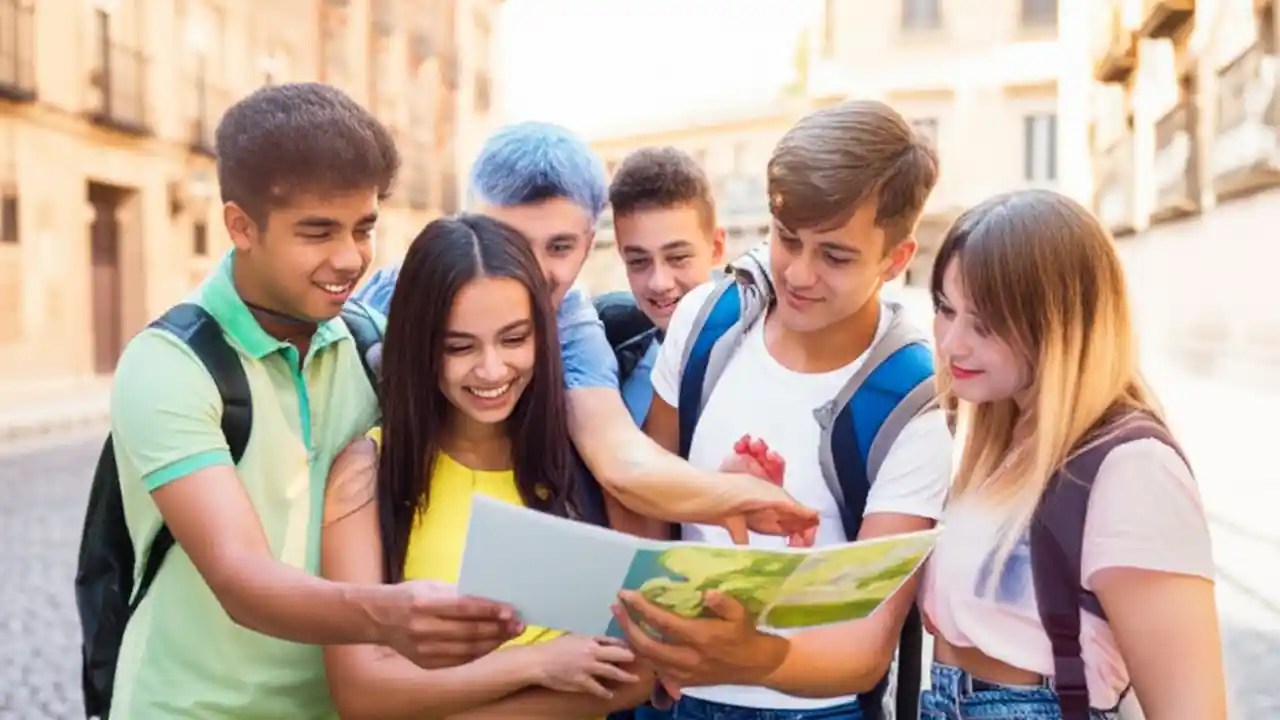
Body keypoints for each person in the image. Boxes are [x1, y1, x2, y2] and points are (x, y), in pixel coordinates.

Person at [106, 83, 519, 718]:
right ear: (240, 225)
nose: (349, 257)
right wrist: (391, 615)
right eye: (318, 232)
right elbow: (242, 580)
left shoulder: (366, 341)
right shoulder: (168, 366)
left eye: (364, 228)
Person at [611, 100, 953, 720]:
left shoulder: (913, 401)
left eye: (835, 255)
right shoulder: (706, 320)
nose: (798, 272)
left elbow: (866, 650)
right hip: (670, 696)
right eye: (787, 239)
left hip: (813, 709)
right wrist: (652, 638)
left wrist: (749, 658)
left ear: (895, 260)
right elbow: (642, 497)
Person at [356, 122, 817, 543]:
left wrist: (730, 494)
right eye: (511, 243)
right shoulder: (387, 303)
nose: (534, 273)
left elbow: (619, 458)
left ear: (588, 240)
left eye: (560, 247)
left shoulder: (572, 324)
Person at [321, 214, 653, 718]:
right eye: (460, 347)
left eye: (515, 339)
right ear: (419, 346)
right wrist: (536, 665)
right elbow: (361, 692)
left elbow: (636, 668)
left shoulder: (583, 460)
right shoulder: (367, 471)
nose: (493, 370)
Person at [917, 189, 1227, 719]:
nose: (951, 344)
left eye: (985, 323)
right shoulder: (1005, 438)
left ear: (1060, 327)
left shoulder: (1132, 468)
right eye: (946, 310)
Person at [601, 146, 726, 427]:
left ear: (716, 247)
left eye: (678, 257)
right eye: (638, 261)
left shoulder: (760, 350)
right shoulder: (615, 346)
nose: (659, 282)